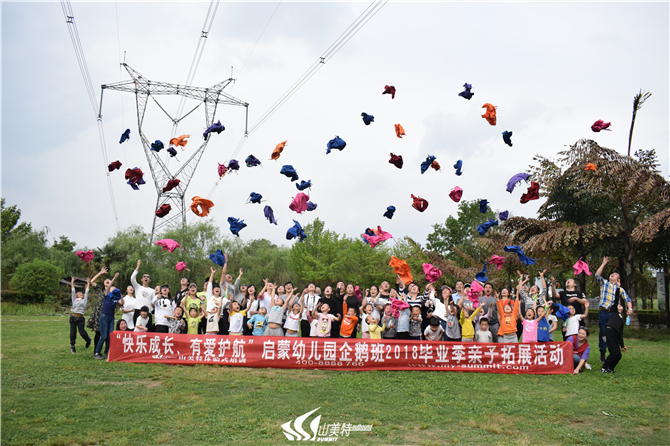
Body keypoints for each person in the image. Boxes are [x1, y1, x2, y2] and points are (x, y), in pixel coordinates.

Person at [595, 257, 633, 363]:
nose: (613, 274)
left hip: (613, 314)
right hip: (603, 312)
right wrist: (603, 264)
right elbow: (597, 275)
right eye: (612, 273)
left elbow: (627, 299)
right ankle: (602, 352)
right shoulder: (605, 283)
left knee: (613, 332)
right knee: (603, 332)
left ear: (618, 279)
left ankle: (613, 352)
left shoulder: (619, 289)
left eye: (615, 274)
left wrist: (630, 309)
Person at [88, 268, 118, 356]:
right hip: (99, 314)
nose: (107, 281)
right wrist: (100, 273)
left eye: (109, 280)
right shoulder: (100, 291)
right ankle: (96, 351)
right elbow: (92, 282)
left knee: (108, 333)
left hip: (108, 314)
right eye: (106, 280)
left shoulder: (113, 293)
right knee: (98, 333)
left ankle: (107, 350)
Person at [94, 286, 124, 359]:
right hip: (104, 316)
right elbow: (107, 289)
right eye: (112, 288)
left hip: (111, 317)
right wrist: (114, 278)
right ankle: (97, 352)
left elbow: (121, 303)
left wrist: (121, 297)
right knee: (103, 336)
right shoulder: (107, 296)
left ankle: (108, 352)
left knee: (110, 336)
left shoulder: (116, 298)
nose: (114, 289)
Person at [602, 296, 627, 373]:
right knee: (614, 353)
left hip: (615, 335)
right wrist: (618, 288)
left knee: (618, 355)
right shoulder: (614, 312)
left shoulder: (621, 318)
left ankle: (610, 368)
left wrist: (622, 346)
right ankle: (604, 368)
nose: (620, 305)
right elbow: (616, 300)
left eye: (621, 305)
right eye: (618, 305)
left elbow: (620, 333)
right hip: (608, 332)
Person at [69, 276, 92, 353]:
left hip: (80, 319)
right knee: (73, 333)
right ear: (76, 296)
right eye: (79, 293)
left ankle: (88, 340)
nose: (81, 294)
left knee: (82, 332)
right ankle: (72, 346)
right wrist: (72, 282)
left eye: (82, 293)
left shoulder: (84, 300)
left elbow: (87, 291)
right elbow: (72, 290)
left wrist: (88, 283)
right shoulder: (74, 300)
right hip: (73, 318)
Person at [130, 260, 155, 329]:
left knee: (147, 330)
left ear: (149, 280)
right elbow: (132, 278)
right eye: (144, 276)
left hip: (148, 312)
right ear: (141, 279)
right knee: (137, 329)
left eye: (147, 277)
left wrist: (151, 309)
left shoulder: (152, 291)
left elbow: (153, 302)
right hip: (138, 310)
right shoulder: (138, 287)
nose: (146, 277)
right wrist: (137, 267)